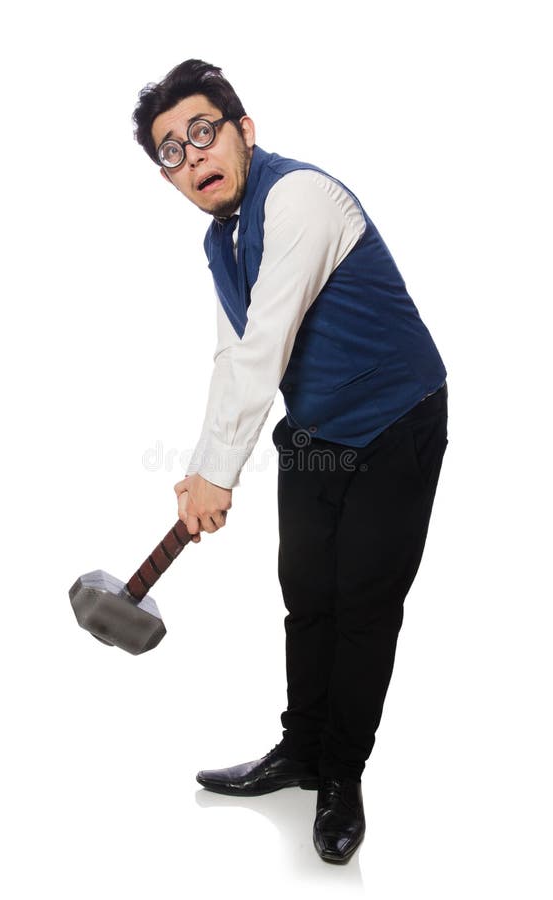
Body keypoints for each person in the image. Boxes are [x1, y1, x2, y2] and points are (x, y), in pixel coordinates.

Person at [133, 59, 448, 864]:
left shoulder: (300, 198)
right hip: (315, 432)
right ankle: (302, 750)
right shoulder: (222, 240)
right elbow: (232, 356)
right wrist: (203, 471)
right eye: (172, 151)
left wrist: (219, 474)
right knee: (306, 594)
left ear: (244, 129)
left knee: (363, 606)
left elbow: (264, 346)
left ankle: (342, 776)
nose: (193, 156)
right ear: (168, 177)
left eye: (203, 132)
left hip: (395, 421)